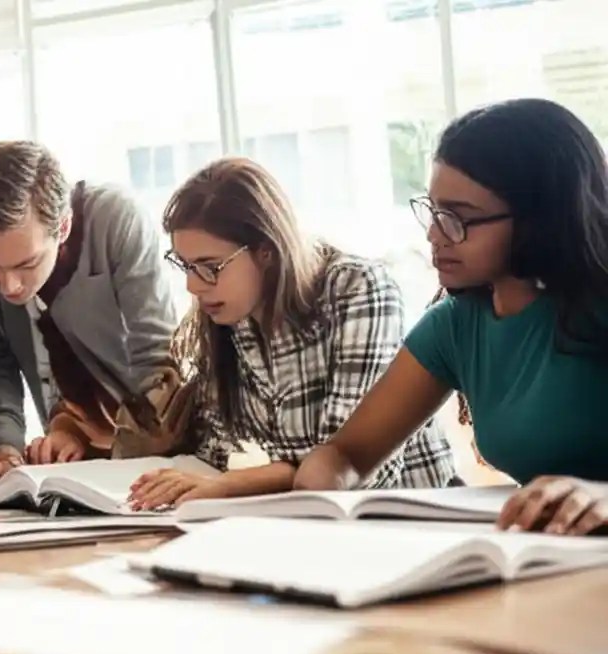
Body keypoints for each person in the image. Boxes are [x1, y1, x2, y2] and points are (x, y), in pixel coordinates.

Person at [297, 98, 608, 536]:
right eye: (434, 210)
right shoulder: (456, 325)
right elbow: (346, 454)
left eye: (458, 218)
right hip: (553, 559)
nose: (434, 234)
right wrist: (321, 492)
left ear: (541, 218)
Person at [126, 158, 456, 510]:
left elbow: (345, 468)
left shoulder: (357, 289)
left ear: (266, 251)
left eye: (210, 267)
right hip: (296, 519)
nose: (193, 285)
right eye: (186, 266)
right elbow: (218, 448)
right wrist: (230, 478)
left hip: (407, 514)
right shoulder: (227, 312)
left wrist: (230, 483)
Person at [0, 141, 181, 494]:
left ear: (64, 227)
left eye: (26, 263)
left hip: (148, 444)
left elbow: (157, 362)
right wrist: (7, 456)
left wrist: (101, 444)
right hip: (67, 454)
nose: (8, 286)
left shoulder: (115, 219)